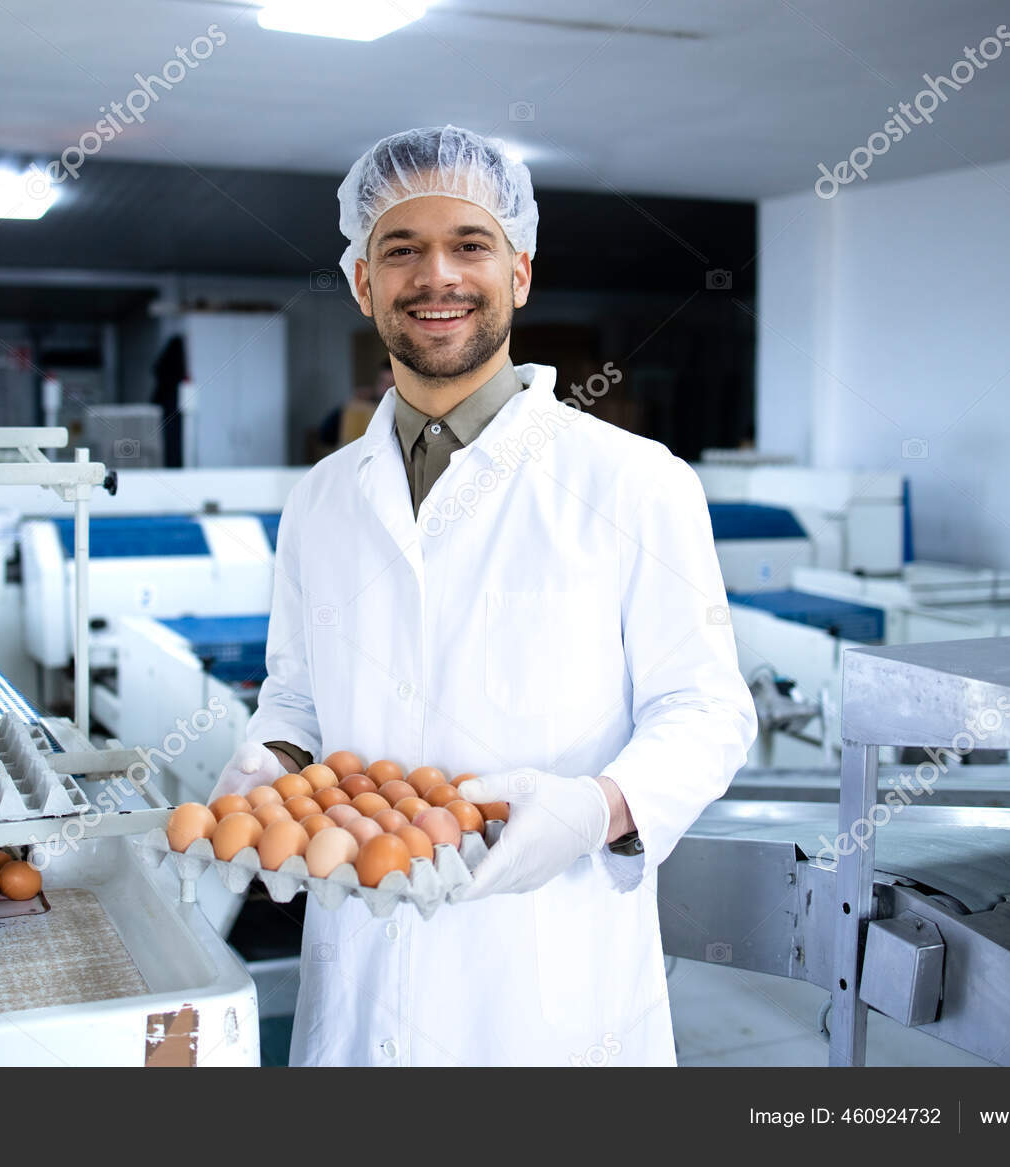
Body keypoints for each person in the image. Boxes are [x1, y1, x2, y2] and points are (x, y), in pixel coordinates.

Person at [211, 125, 756, 1066]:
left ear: (521, 273)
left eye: (470, 244)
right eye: (401, 249)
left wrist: (600, 806)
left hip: (548, 987)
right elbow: (297, 690)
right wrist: (270, 758)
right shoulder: (321, 500)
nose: (438, 276)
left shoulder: (635, 483)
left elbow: (707, 709)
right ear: (361, 282)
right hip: (362, 972)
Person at [314, 359, 395, 459]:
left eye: (392, 384)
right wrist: (346, 407)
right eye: (383, 382)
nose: (386, 389)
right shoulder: (359, 408)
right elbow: (326, 435)